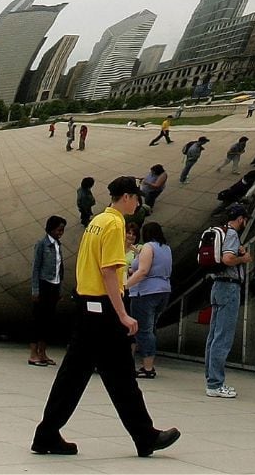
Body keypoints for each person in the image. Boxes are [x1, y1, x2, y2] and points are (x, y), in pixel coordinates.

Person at [31, 176, 181, 457]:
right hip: (104, 311)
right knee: (118, 376)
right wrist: (122, 313)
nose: (138, 203)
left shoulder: (97, 221)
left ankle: (48, 433)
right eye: (136, 198)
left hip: (88, 307)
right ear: (126, 197)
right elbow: (109, 271)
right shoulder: (114, 224)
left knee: (81, 376)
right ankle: (144, 436)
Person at [204, 204, 253, 398]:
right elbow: (227, 259)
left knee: (214, 335)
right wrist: (244, 258)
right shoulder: (231, 234)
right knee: (223, 336)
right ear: (241, 219)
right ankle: (216, 383)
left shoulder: (221, 232)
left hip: (217, 286)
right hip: (229, 286)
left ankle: (211, 378)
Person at [125, 221, 172, 380]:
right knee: (151, 328)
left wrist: (125, 285)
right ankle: (147, 363)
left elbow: (143, 270)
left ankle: (148, 367)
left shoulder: (148, 247)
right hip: (163, 290)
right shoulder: (166, 248)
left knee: (143, 330)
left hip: (145, 292)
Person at [29, 216, 66, 366]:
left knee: (48, 321)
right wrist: (35, 290)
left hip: (54, 286)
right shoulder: (42, 244)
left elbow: (59, 268)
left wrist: (59, 288)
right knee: (38, 320)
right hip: (44, 285)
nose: (60, 233)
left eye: (62, 230)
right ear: (51, 228)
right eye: (59, 230)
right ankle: (33, 353)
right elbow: (36, 268)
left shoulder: (58, 245)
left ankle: (43, 352)